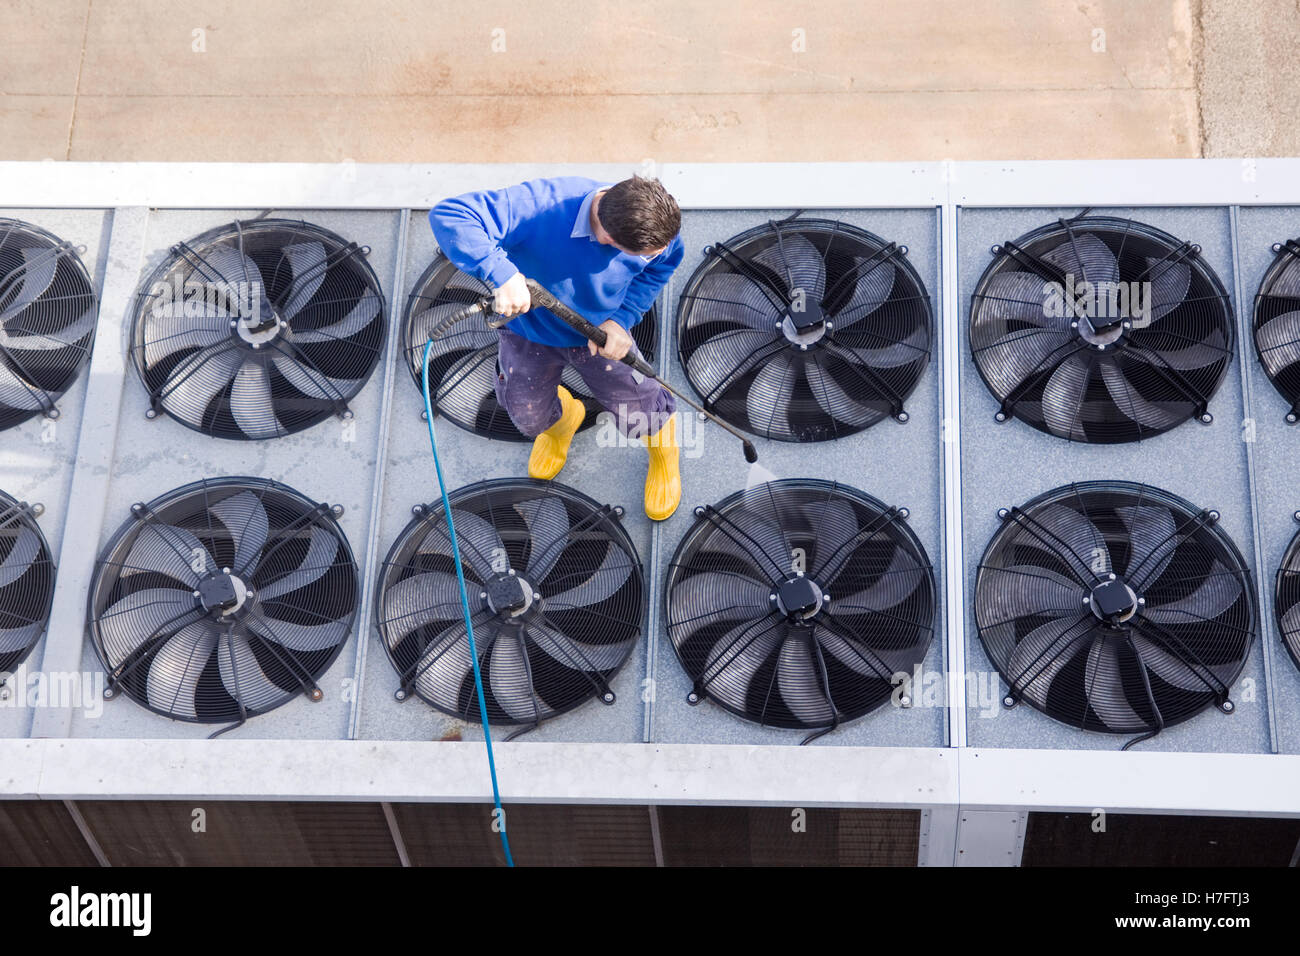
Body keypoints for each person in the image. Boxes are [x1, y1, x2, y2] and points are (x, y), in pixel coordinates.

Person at [429, 175, 685, 520]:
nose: (657, 254)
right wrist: (502, 274)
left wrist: (622, 319)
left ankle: (663, 454)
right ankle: (563, 424)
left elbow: (658, 270)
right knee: (527, 414)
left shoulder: (659, 232)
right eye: (639, 254)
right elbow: (450, 214)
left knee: (641, 408)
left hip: (599, 336)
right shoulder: (540, 204)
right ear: (606, 238)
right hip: (528, 331)